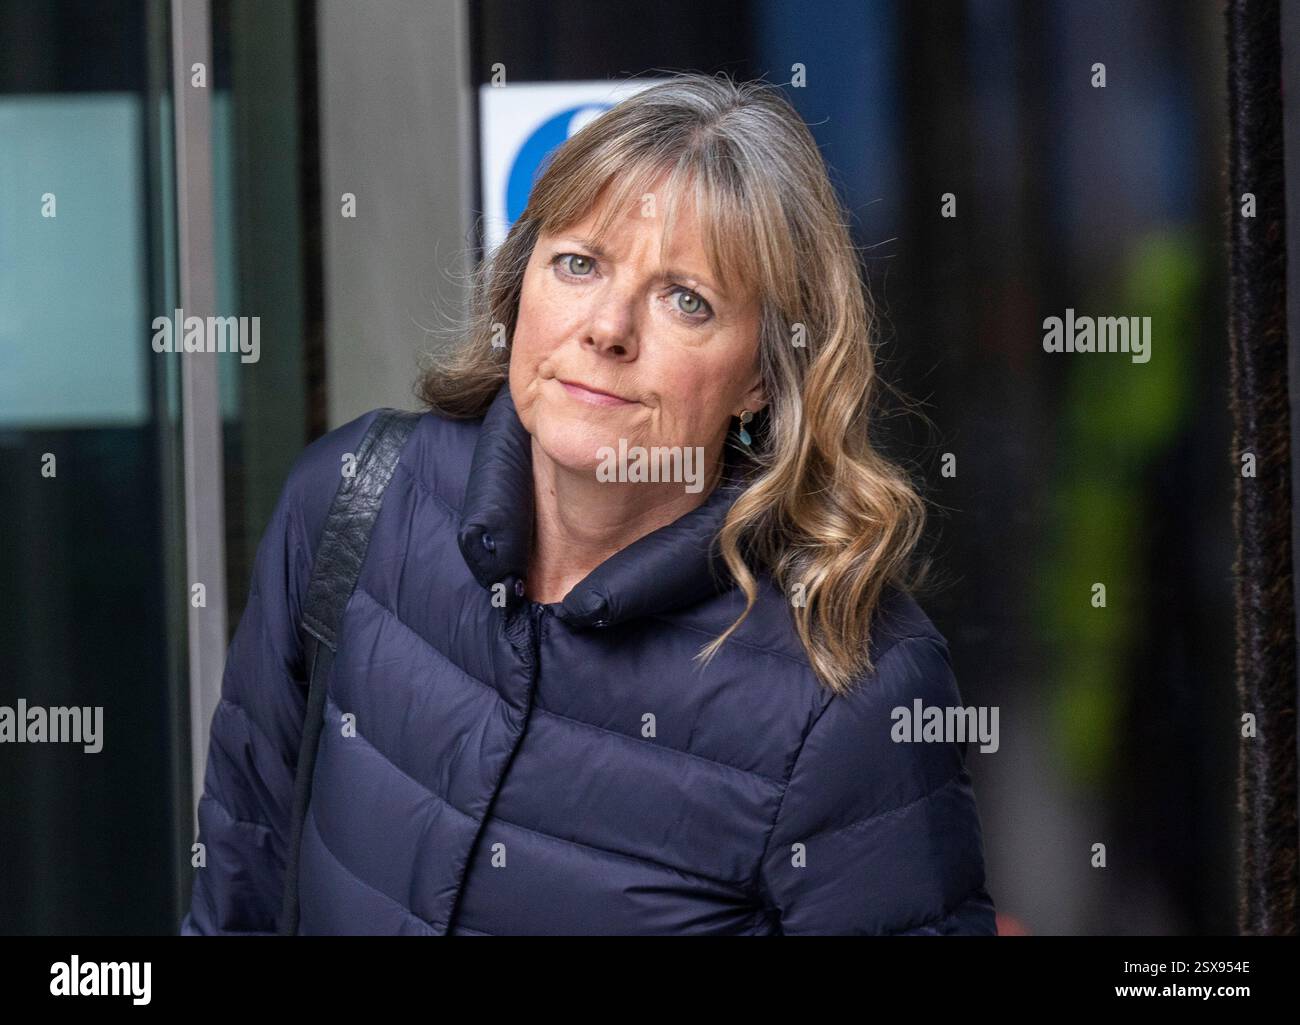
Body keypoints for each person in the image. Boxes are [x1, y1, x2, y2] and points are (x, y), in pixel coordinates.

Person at [181, 71, 996, 935]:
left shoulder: (852, 686)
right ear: (521, 285)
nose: (608, 328)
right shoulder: (353, 499)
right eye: (579, 263)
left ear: (762, 375)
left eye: (688, 299)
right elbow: (239, 892)